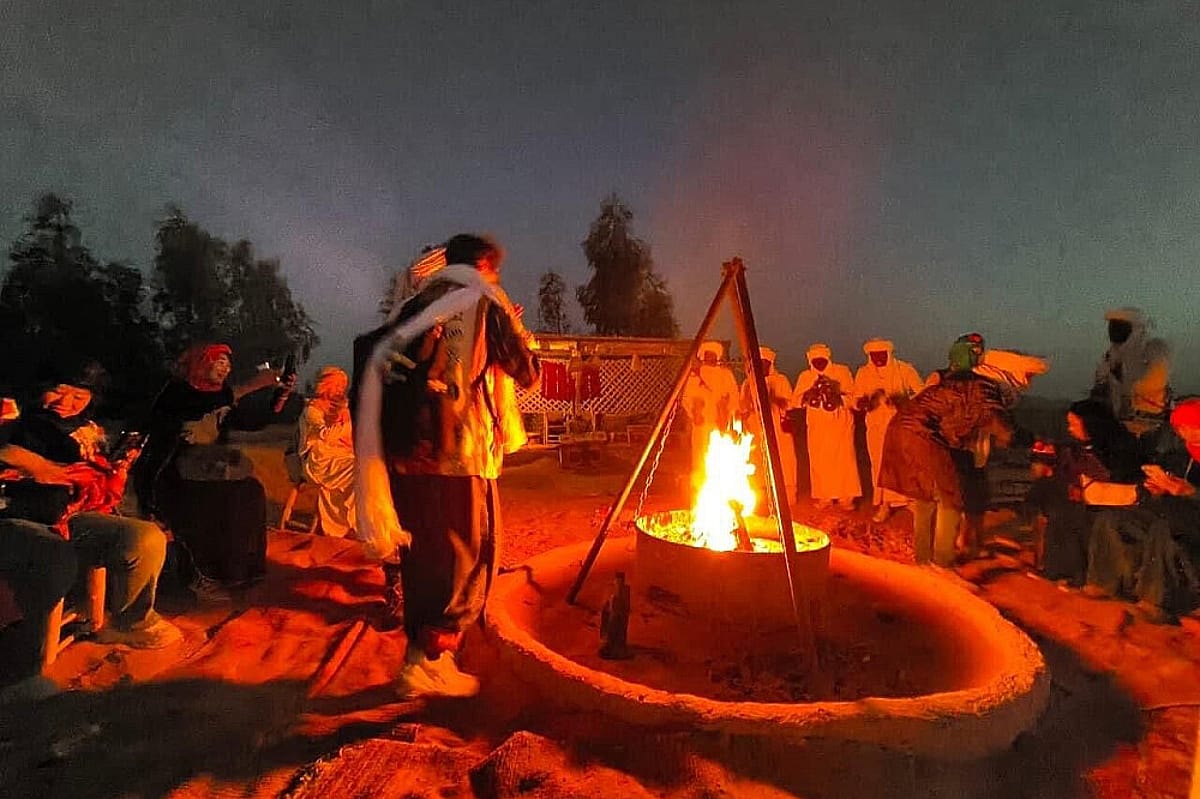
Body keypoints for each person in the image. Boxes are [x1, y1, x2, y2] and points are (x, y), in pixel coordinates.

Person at [353, 233, 539, 698]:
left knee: (425, 554)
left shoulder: (417, 304)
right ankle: (430, 659)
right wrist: (519, 335)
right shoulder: (484, 298)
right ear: (483, 265)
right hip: (458, 450)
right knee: (467, 555)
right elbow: (527, 371)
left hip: (406, 453)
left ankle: (420, 657)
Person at [0, 364, 181, 700]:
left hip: (73, 515)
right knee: (53, 555)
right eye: (58, 390)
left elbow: (94, 476)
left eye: (79, 395)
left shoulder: (88, 429)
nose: (66, 401)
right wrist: (34, 464)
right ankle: (22, 671)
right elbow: (6, 452)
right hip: (18, 516)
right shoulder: (16, 418)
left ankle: (130, 621)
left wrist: (116, 470)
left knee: (143, 537)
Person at [134, 344, 290, 596]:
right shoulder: (178, 392)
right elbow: (199, 407)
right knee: (218, 501)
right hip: (169, 474)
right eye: (219, 362)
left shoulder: (221, 395)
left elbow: (248, 422)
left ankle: (240, 570)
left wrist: (279, 395)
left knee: (250, 491)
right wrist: (254, 384)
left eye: (228, 363)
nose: (226, 367)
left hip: (205, 468)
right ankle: (203, 574)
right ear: (201, 363)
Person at [879, 335, 1013, 567]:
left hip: (924, 438)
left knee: (934, 498)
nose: (980, 355)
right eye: (977, 351)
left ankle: (931, 558)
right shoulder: (960, 381)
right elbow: (993, 419)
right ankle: (940, 562)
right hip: (932, 442)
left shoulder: (966, 381)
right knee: (945, 501)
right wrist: (1018, 437)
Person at [1080, 398, 1200, 622]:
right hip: (1170, 510)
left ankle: (1154, 601)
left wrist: (1190, 491)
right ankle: (1103, 585)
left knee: (1165, 526)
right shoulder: (1178, 456)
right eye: (1181, 427)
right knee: (1113, 519)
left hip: (1193, 521)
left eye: (1192, 426)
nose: (1186, 432)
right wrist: (1157, 488)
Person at [1025, 400, 1139, 584]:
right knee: (1050, 497)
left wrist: (1082, 471)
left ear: (1091, 423)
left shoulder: (1120, 444)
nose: (1070, 429)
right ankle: (1055, 569)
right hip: (1092, 496)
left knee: (1069, 514)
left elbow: (1114, 473)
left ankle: (1071, 573)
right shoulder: (1084, 445)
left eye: (1074, 424)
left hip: (1116, 501)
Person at [853, 339, 924, 522]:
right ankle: (884, 505)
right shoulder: (863, 373)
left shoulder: (904, 369)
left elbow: (922, 392)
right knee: (879, 465)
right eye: (873, 355)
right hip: (876, 427)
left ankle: (908, 501)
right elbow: (856, 399)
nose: (877, 359)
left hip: (901, 424)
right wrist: (865, 402)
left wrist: (902, 401)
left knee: (904, 462)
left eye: (881, 355)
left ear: (889, 353)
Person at [791, 344, 860, 510]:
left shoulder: (841, 372)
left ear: (827, 358)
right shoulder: (805, 376)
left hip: (840, 423)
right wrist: (809, 394)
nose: (818, 364)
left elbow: (855, 398)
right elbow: (795, 401)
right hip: (817, 425)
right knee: (820, 460)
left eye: (822, 360)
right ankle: (825, 496)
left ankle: (846, 497)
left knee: (844, 459)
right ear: (810, 360)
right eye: (815, 361)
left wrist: (837, 397)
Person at [1093, 307, 1171, 446]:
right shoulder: (1112, 355)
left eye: (1120, 326)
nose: (1114, 332)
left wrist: (1121, 379)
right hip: (1119, 424)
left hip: (1147, 425)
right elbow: (1101, 383)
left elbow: (1155, 378)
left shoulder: (1155, 347)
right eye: (1113, 326)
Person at [298, 366, 356, 538]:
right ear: (326, 385)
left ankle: (348, 522)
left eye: (342, 386)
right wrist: (341, 419)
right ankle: (348, 524)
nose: (340, 390)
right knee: (357, 471)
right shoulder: (313, 410)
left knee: (367, 470)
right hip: (318, 460)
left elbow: (349, 438)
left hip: (340, 456)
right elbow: (326, 435)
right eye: (337, 385)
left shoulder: (343, 411)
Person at [740, 346, 797, 506]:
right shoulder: (747, 382)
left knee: (784, 459)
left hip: (777, 426)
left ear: (770, 364)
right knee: (759, 460)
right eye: (759, 363)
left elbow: (789, 404)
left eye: (765, 363)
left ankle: (788, 494)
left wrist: (773, 398)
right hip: (755, 426)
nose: (762, 366)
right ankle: (763, 495)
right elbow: (743, 406)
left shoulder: (780, 380)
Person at [682, 341, 740, 491]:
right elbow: (686, 398)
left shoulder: (725, 374)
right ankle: (701, 490)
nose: (710, 358)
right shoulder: (695, 375)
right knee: (700, 454)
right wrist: (694, 412)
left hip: (720, 421)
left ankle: (722, 490)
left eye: (714, 355)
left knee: (721, 455)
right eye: (708, 354)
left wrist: (727, 411)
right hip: (701, 422)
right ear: (703, 356)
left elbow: (734, 396)